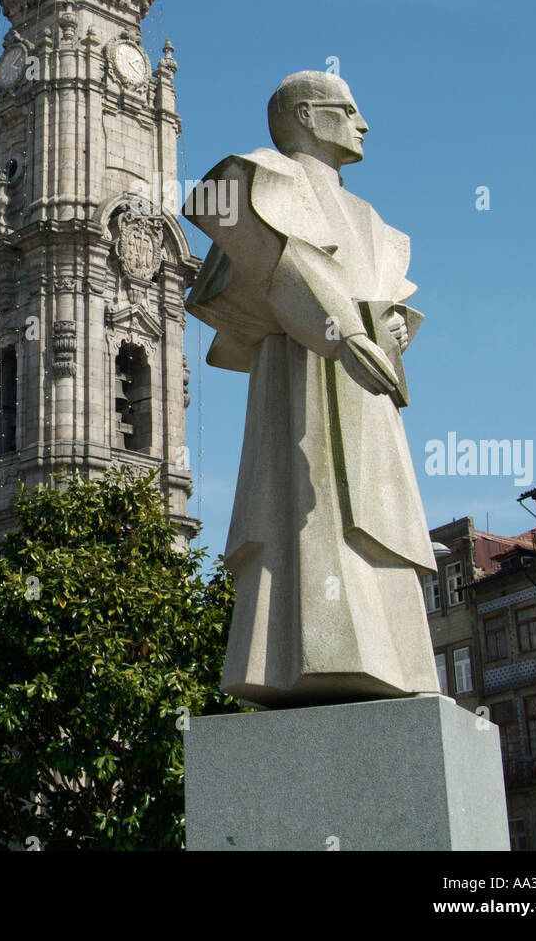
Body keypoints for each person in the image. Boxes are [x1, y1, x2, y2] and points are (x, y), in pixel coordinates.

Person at [184, 71, 440, 706]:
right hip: (297, 379)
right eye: (348, 109)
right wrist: (337, 330)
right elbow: (234, 247)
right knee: (306, 504)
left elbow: (384, 296)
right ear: (304, 115)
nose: (364, 123)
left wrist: (389, 329)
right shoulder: (260, 177)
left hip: (368, 396)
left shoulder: (372, 220)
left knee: (377, 510)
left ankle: (390, 656)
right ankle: (310, 656)